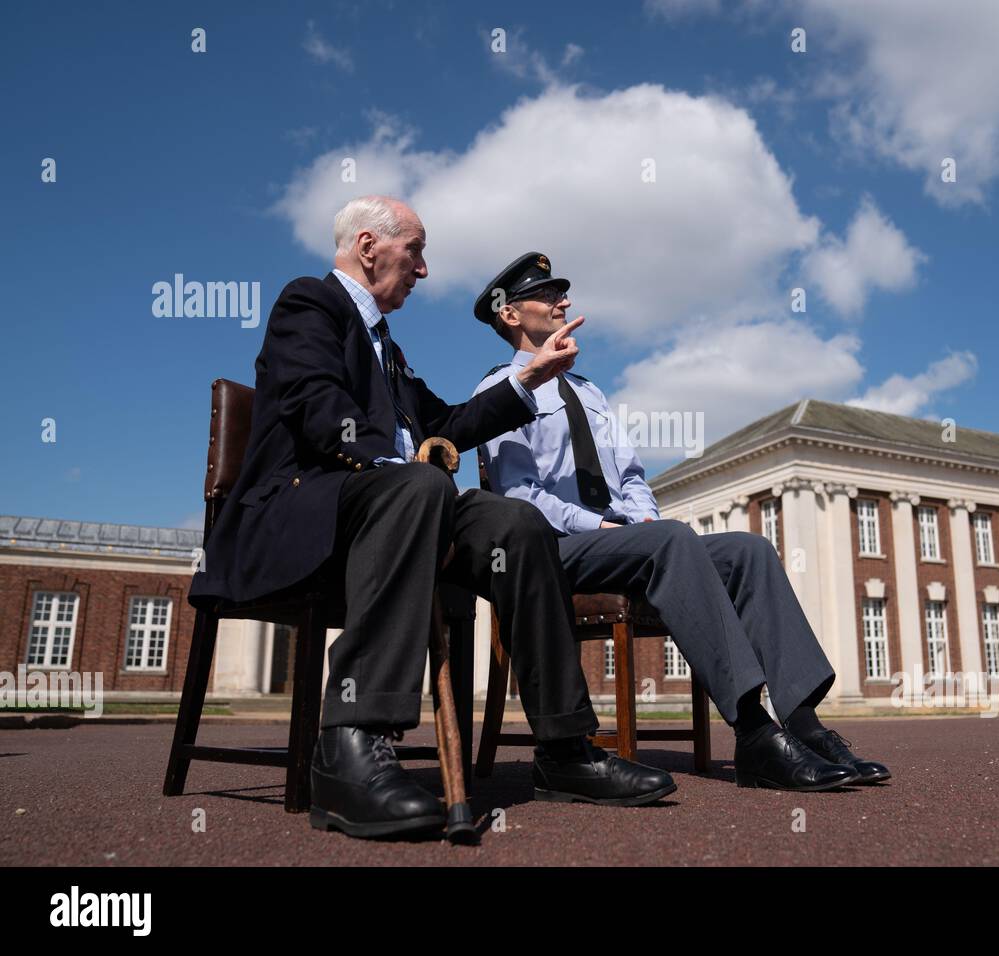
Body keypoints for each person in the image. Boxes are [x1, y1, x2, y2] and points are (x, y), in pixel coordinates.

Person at [188, 202, 675, 840]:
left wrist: (529, 378)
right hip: (306, 507)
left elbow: (445, 425)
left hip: (397, 503)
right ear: (369, 246)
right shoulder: (308, 304)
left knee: (518, 524)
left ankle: (564, 751)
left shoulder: (391, 353)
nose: (423, 268)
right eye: (415, 251)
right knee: (416, 484)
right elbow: (315, 408)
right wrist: (404, 466)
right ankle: (350, 746)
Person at [472, 252, 891, 791]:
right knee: (668, 541)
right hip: (556, 553)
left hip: (626, 541)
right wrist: (600, 529)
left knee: (747, 550)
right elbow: (518, 497)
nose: (565, 301)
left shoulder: (591, 393)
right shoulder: (500, 392)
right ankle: (754, 733)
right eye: (550, 294)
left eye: (563, 293)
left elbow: (631, 476)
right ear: (510, 314)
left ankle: (805, 726)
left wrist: (641, 516)